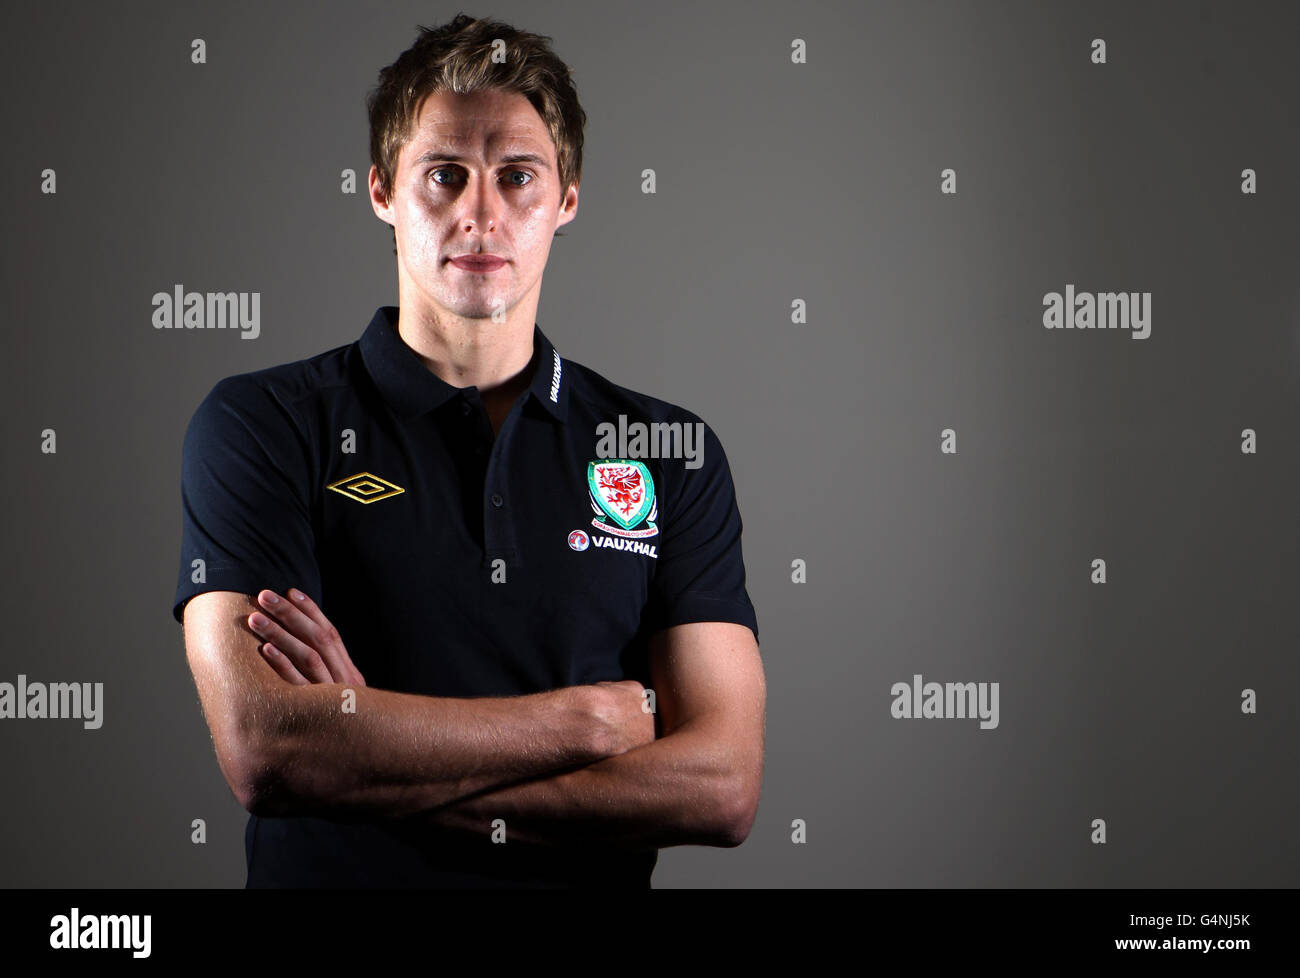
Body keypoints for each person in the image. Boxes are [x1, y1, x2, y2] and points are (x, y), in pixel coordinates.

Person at [173, 13, 765, 888]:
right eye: (443, 176)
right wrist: (589, 724)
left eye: (517, 177)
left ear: (566, 199)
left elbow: (721, 788)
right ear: (382, 190)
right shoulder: (262, 425)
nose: (480, 214)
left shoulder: (668, 452)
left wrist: (367, 747)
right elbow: (268, 750)